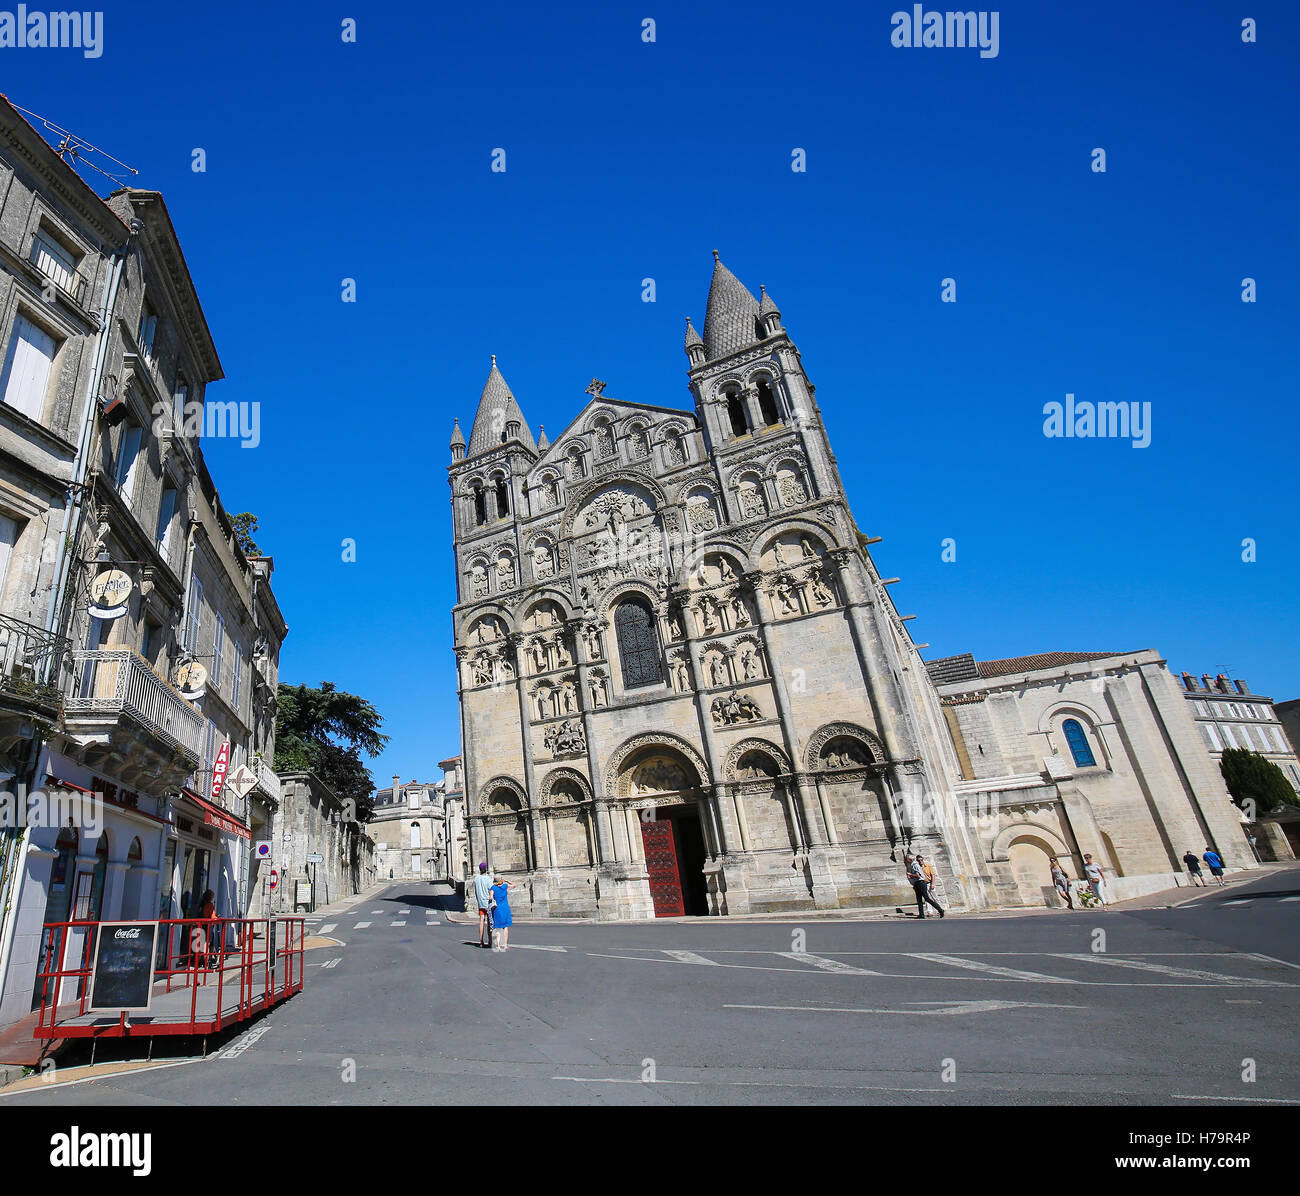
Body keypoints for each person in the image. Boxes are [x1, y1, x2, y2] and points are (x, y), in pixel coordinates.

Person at [905, 851, 944, 918]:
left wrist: (911, 875)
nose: (907, 860)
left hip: (921, 883)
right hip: (917, 883)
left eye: (907, 858)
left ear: (910, 859)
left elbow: (919, 875)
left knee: (927, 898)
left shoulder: (915, 865)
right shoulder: (913, 865)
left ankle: (940, 910)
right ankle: (921, 914)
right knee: (919, 899)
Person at [471, 862, 495, 947]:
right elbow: (491, 891)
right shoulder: (488, 879)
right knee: (489, 922)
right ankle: (490, 941)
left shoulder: (476, 879)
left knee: (481, 921)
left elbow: (475, 890)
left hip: (481, 903)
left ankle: (481, 941)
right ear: (486, 869)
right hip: (488, 903)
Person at [490, 875, 514, 950]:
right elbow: (514, 885)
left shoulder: (493, 888)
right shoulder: (505, 886)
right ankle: (505, 945)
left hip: (497, 908)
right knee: (505, 927)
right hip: (505, 907)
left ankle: (498, 946)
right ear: (501, 879)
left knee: (498, 927)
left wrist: (493, 898)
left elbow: (490, 897)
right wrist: (507, 881)